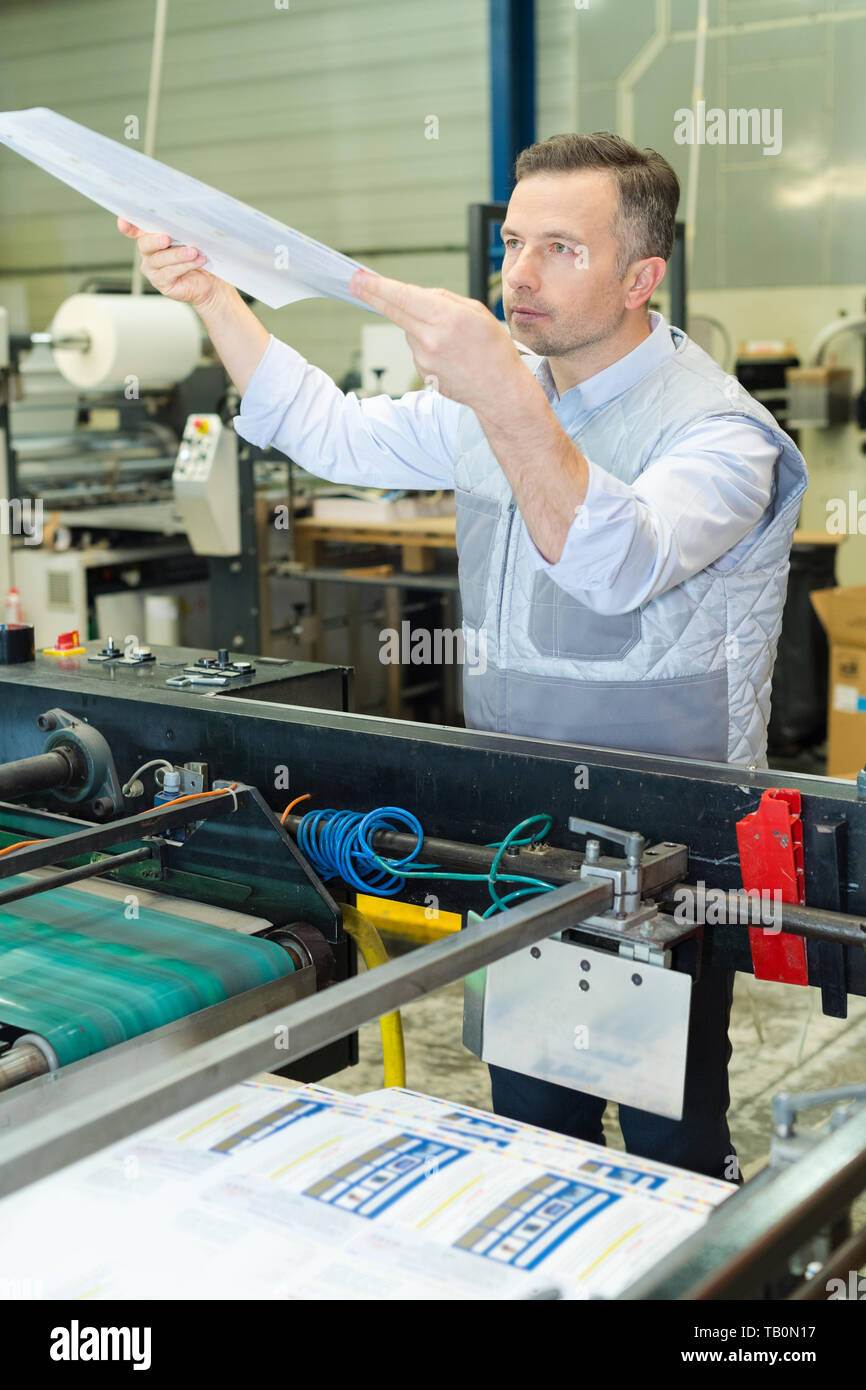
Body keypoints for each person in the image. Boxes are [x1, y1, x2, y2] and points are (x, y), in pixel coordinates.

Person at [119, 131, 808, 1180]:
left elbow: (615, 563)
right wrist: (214, 297)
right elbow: (334, 432)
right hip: (512, 816)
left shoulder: (720, 433)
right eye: (513, 241)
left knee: (669, 1133)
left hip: (666, 833)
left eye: (559, 249)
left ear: (641, 276)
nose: (517, 274)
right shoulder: (494, 398)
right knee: (530, 1115)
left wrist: (504, 393)